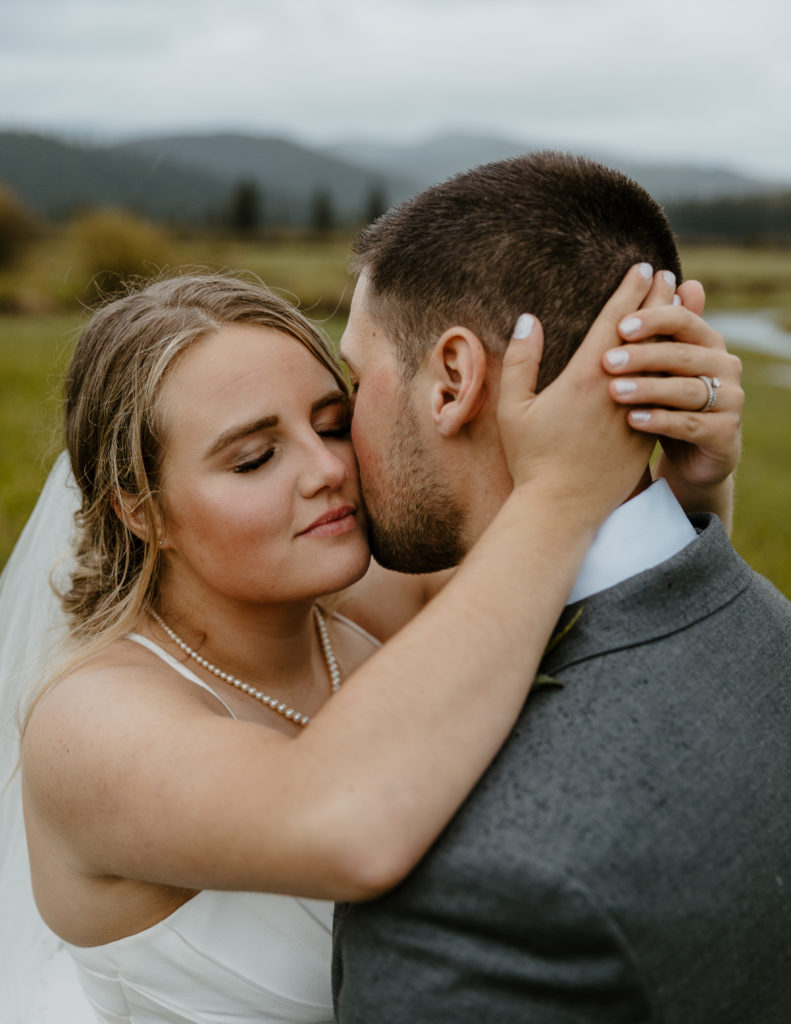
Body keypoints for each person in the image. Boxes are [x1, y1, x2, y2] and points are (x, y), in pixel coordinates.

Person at [0, 251, 739, 1024]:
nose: (326, 468)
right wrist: (557, 495)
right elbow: (345, 827)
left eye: (331, 423)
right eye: (255, 458)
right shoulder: (89, 726)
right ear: (141, 511)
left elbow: (619, 612)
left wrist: (687, 481)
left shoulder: (373, 600)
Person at [332, 152, 791, 1023]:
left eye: (357, 380)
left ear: (452, 381)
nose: (338, 435)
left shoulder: (473, 882)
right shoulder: (761, 624)